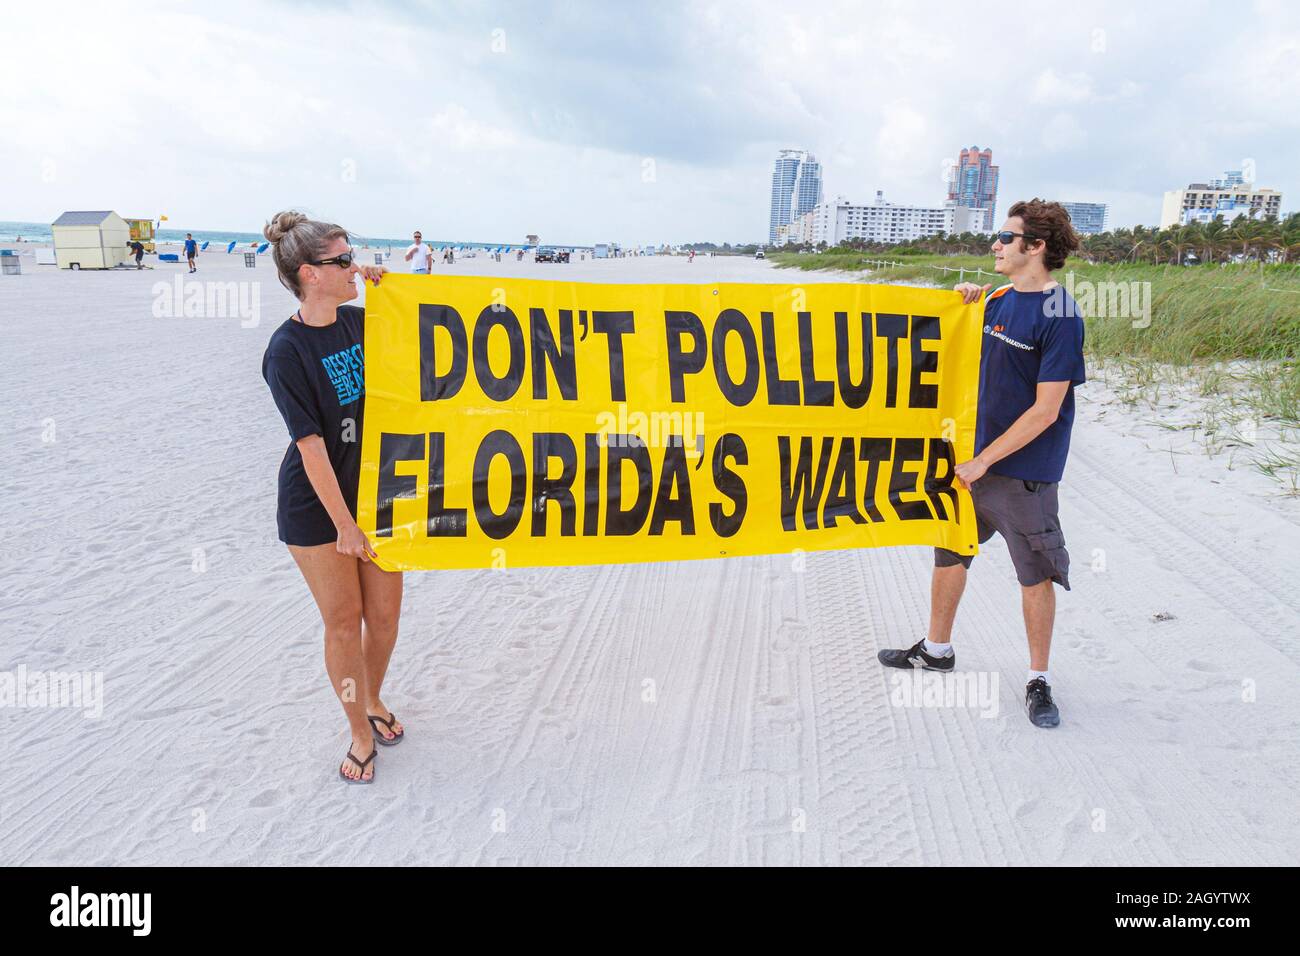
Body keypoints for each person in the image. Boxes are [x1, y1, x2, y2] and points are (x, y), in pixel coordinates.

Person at [875, 199, 1086, 729]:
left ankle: (1038, 678)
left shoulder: (1060, 314)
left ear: (1035, 247)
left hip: (1023, 473)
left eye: (1006, 236)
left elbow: (1046, 410)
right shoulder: (994, 300)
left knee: (1034, 574)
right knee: (950, 553)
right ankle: (937, 649)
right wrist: (964, 304)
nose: (995, 244)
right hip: (973, 464)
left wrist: (982, 462)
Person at [260, 210, 405, 784]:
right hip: (316, 505)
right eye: (341, 259)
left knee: (386, 618)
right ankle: (359, 730)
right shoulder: (286, 351)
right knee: (344, 622)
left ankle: (373, 696)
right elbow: (312, 447)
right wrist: (345, 525)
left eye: (353, 255)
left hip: (375, 492)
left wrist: (397, 295)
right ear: (308, 274)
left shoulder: (358, 324)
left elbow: (419, 346)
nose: (353, 265)